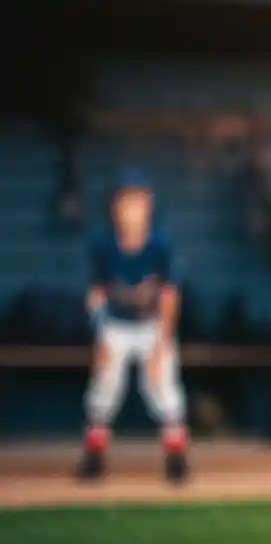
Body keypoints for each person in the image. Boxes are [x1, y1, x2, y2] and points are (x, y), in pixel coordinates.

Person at [78, 168, 190, 483]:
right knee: (104, 386)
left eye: (138, 202)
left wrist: (162, 342)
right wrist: (100, 335)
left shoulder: (160, 244)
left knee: (164, 387)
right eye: (126, 201)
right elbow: (96, 294)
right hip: (115, 324)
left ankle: (177, 458)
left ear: (150, 205)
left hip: (151, 324)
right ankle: (94, 457)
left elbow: (169, 294)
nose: (132, 210)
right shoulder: (102, 244)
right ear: (114, 206)